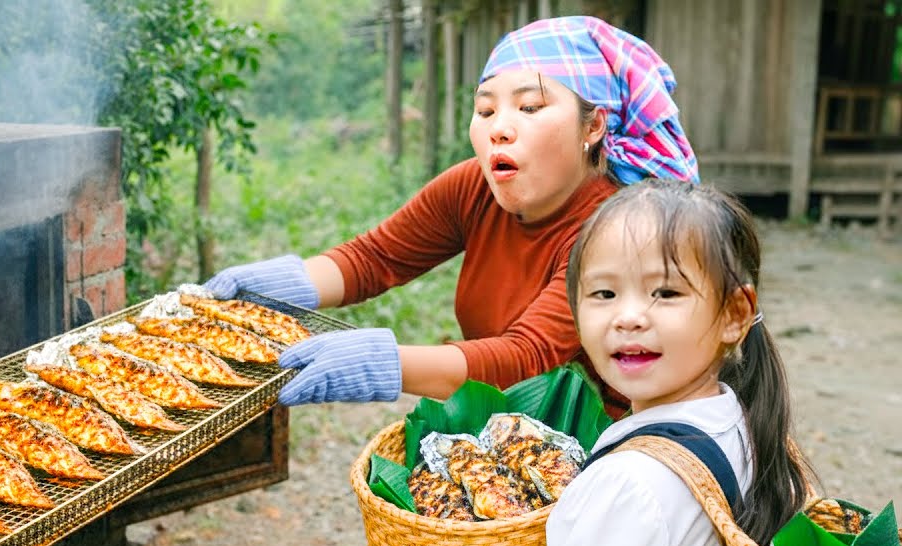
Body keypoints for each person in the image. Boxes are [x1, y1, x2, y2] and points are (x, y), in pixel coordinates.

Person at [374, 179, 814, 546]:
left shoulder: (630, 482)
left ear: (734, 314)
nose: (629, 316)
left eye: (665, 293)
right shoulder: (733, 417)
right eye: (604, 294)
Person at [204, 16, 699, 413]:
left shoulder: (617, 228)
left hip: (600, 445)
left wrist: (386, 363)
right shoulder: (474, 187)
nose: (499, 128)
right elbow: (376, 258)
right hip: (509, 427)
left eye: (529, 107)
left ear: (593, 127)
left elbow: (526, 358)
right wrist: (288, 282)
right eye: (485, 111)